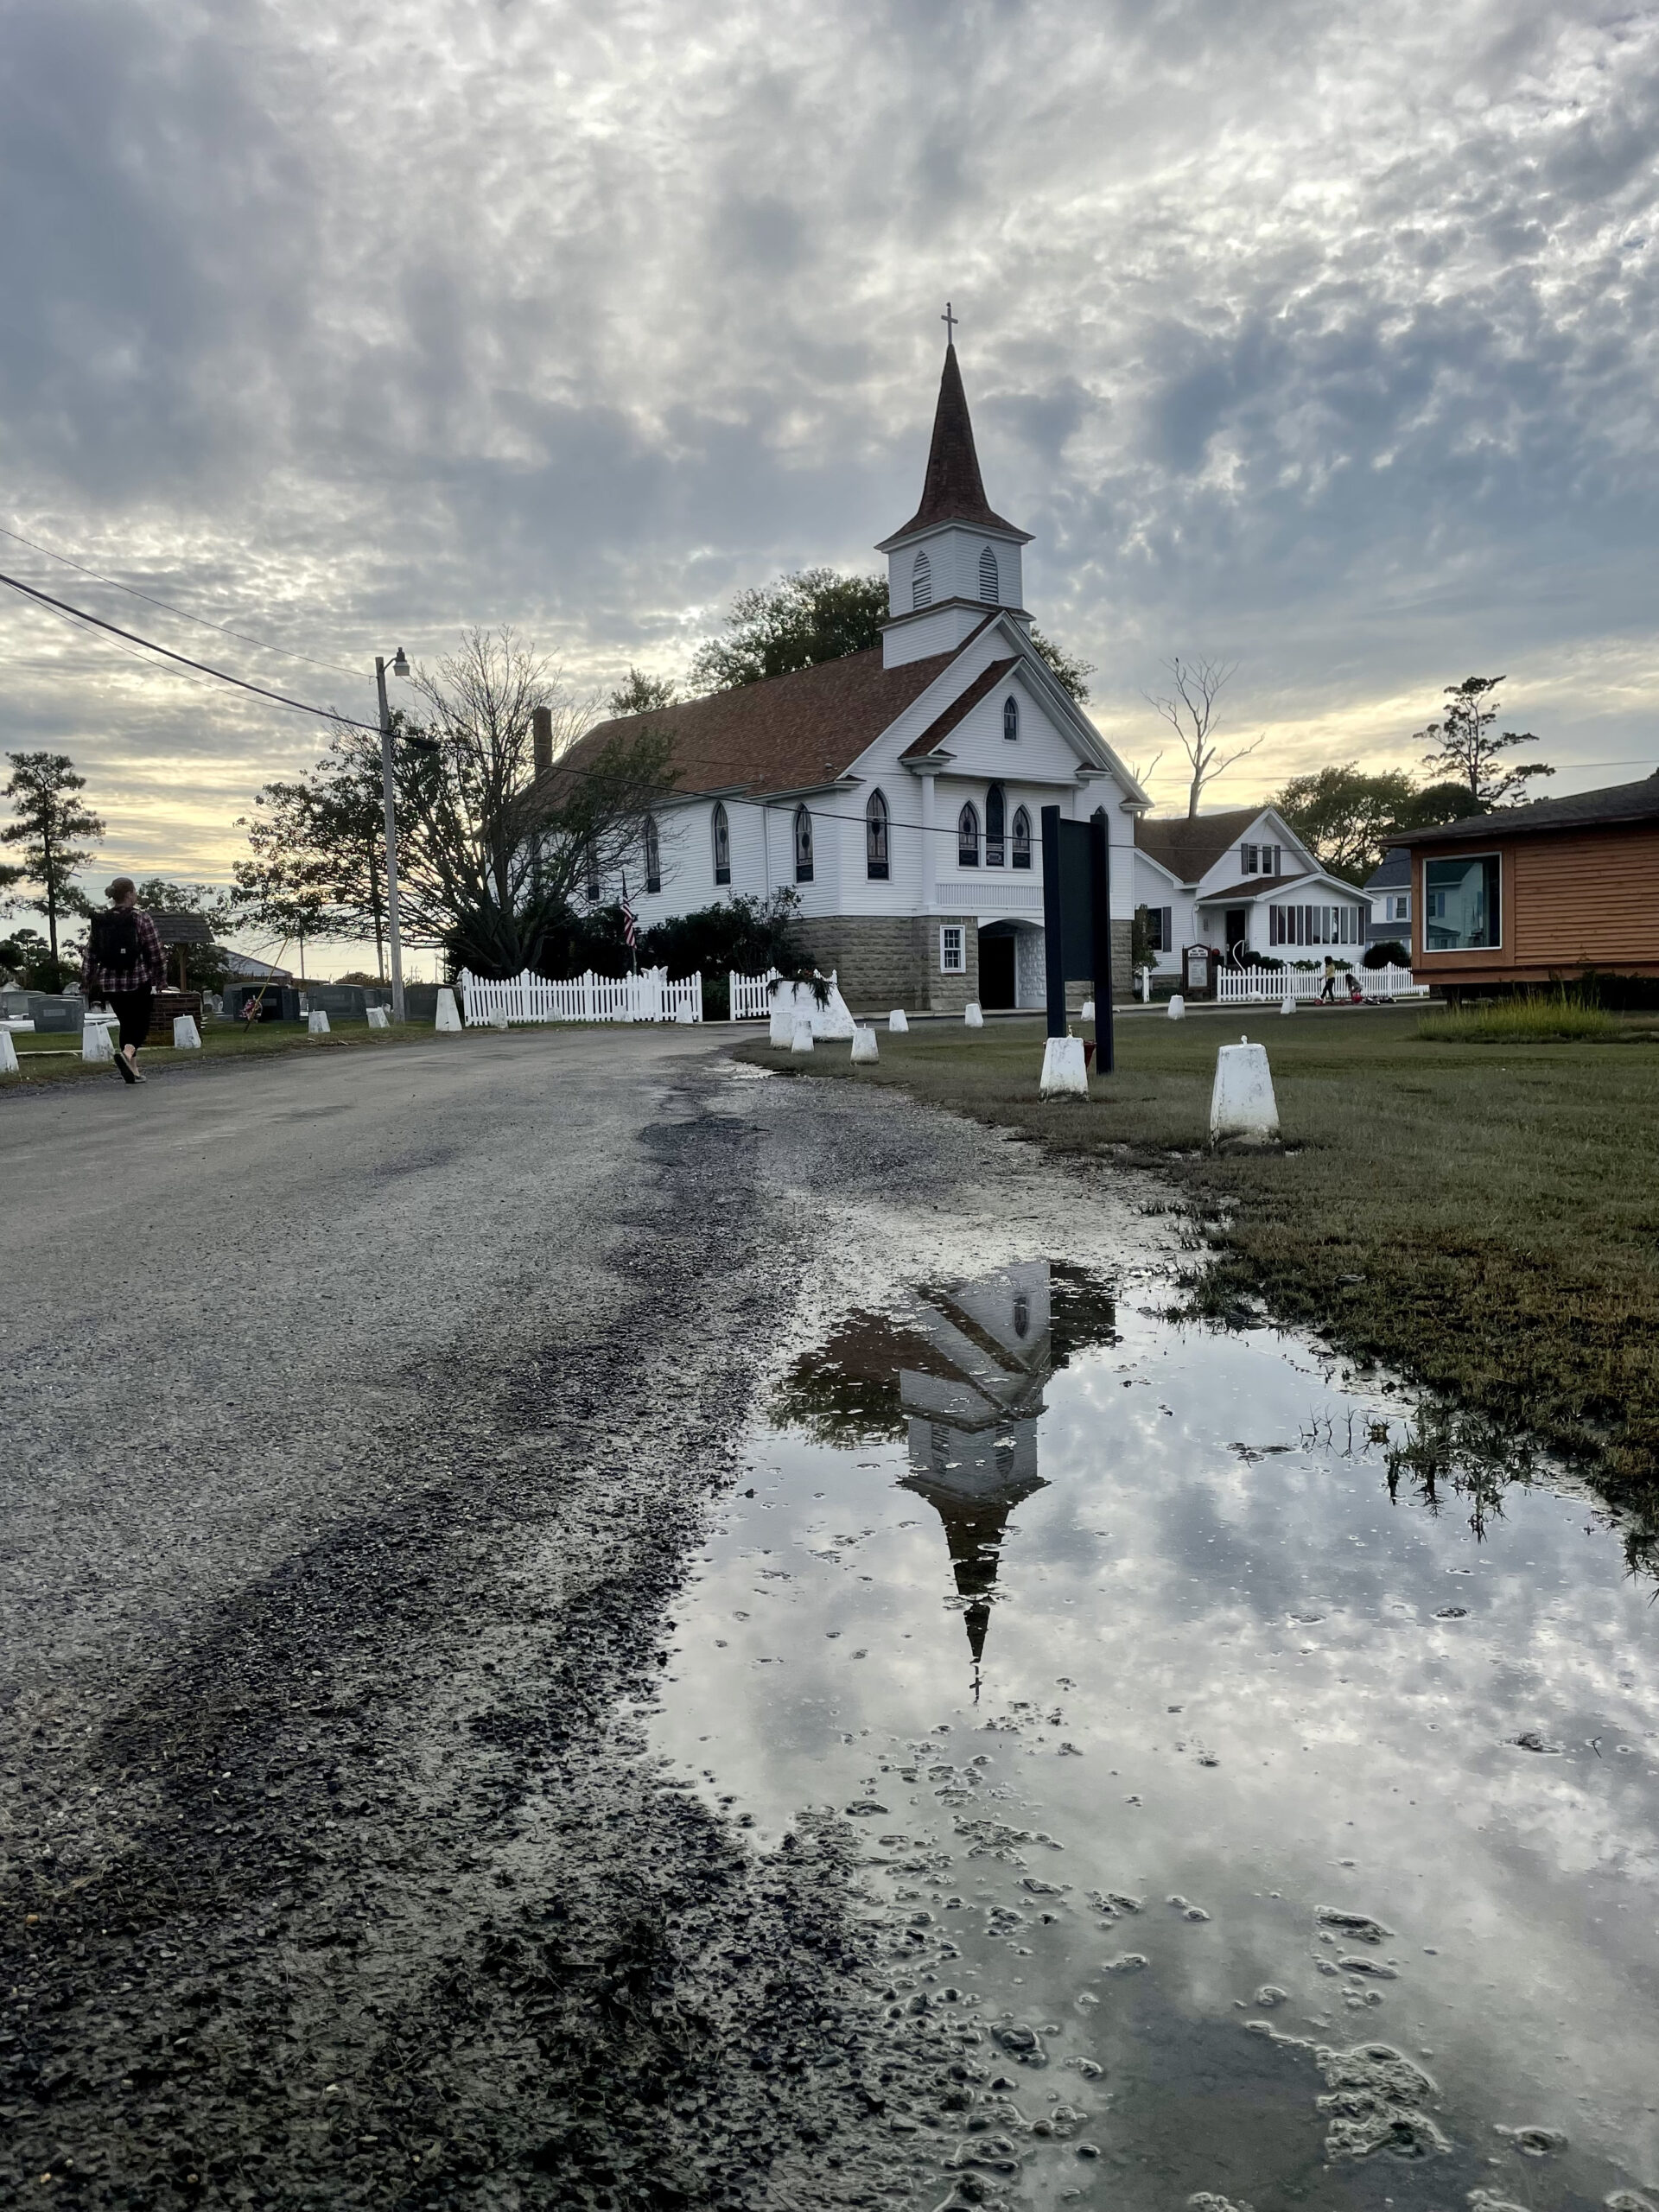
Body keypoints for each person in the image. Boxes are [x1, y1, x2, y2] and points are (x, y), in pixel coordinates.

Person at [83, 877, 166, 1084]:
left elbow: (90, 953)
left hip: (110, 983)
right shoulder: (141, 918)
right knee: (140, 1025)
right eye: (135, 892)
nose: (136, 895)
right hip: (138, 979)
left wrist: (87, 981)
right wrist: (161, 978)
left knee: (126, 1024)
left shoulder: (102, 921)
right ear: (129, 894)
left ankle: (134, 1072)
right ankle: (128, 1054)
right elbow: (155, 951)